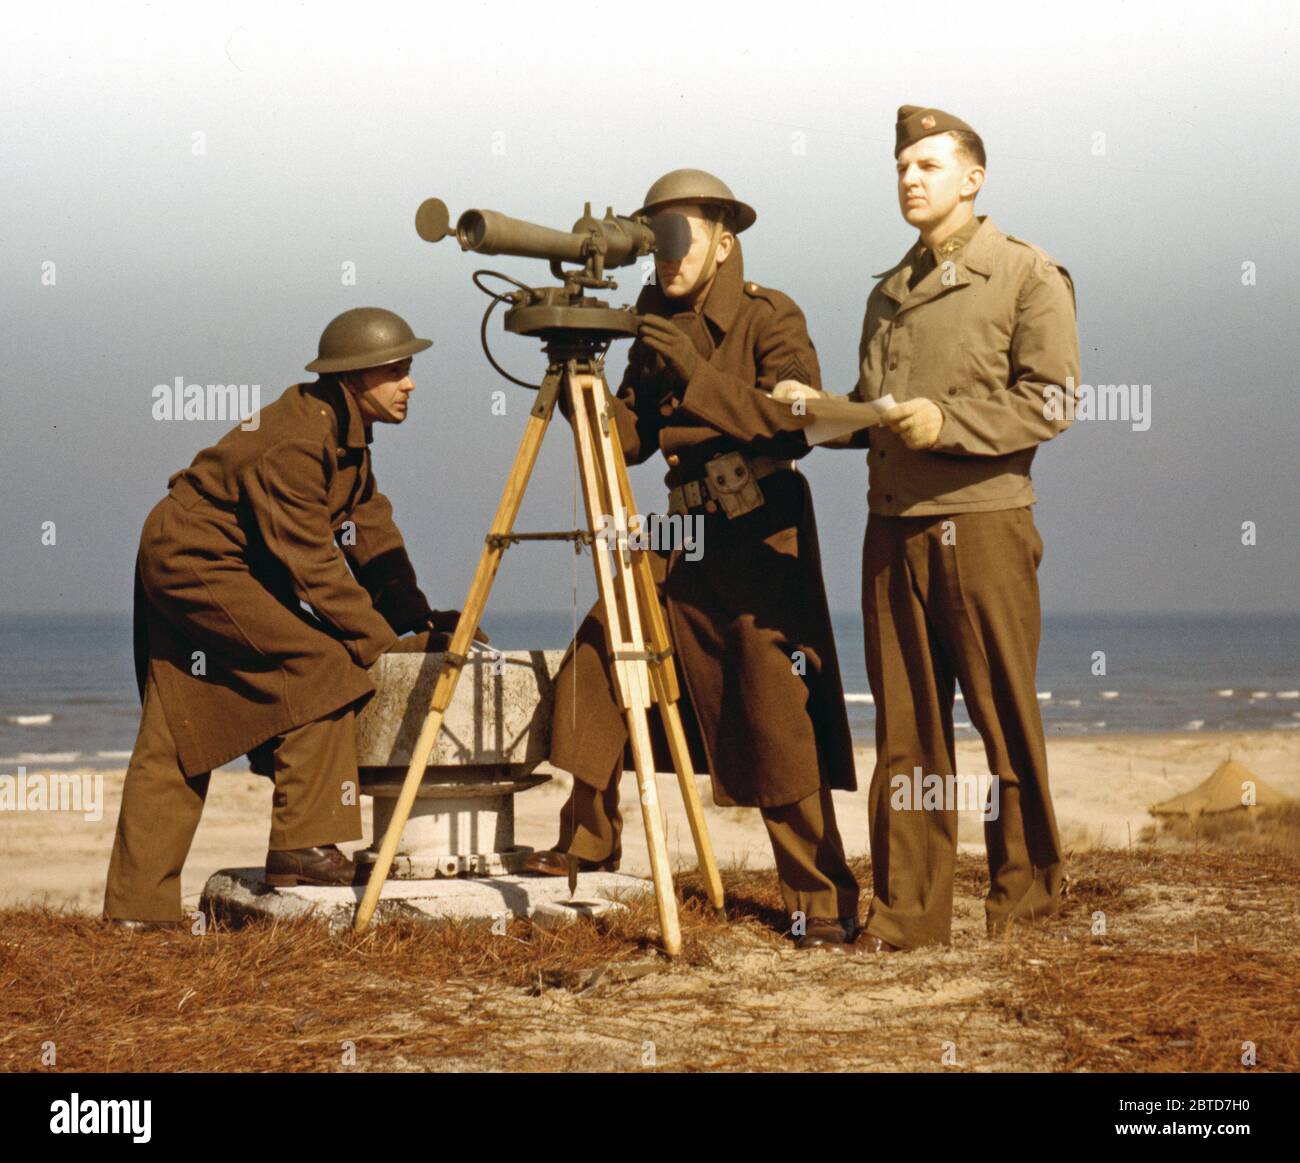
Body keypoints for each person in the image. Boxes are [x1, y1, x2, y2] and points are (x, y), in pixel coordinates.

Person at [523, 170, 861, 952]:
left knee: (773, 708)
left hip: (759, 528)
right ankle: (586, 838)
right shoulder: (653, 318)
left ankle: (823, 901)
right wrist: (588, 387)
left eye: (682, 237)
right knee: (602, 651)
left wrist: (696, 375)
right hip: (685, 530)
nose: (667, 256)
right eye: (656, 239)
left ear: (724, 240)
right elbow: (634, 441)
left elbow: (790, 425)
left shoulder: (769, 314)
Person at [777, 106, 1080, 953]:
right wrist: (818, 415)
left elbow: (1052, 400)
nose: (910, 178)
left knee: (1004, 718)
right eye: (902, 166)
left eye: (929, 166)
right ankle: (908, 913)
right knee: (907, 734)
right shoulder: (886, 293)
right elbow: (881, 411)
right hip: (892, 531)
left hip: (983, 526)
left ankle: (1026, 899)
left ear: (972, 179)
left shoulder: (1025, 274)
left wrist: (942, 421)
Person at [103, 307, 469, 929]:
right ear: (355, 375)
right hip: (194, 557)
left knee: (176, 729)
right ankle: (301, 847)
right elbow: (314, 566)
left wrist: (415, 619)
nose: (410, 382)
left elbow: (368, 532)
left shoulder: (341, 433)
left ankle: (139, 913)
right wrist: (386, 647)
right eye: (397, 369)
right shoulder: (298, 441)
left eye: (409, 368)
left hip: (216, 556)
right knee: (324, 664)